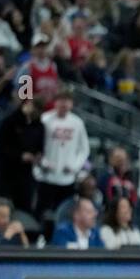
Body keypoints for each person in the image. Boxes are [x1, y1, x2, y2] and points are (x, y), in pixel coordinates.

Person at [35, 90, 90, 221]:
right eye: (61, 100)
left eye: (67, 101)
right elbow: (36, 144)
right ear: (55, 102)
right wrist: (42, 162)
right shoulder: (45, 119)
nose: (64, 104)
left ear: (71, 104)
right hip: (46, 176)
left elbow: (84, 149)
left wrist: (75, 166)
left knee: (64, 213)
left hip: (67, 178)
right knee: (42, 213)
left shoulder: (77, 123)